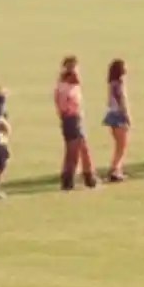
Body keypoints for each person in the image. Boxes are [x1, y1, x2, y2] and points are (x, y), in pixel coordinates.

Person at [55, 58, 96, 190]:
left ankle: (89, 178)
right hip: (72, 119)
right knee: (73, 151)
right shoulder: (66, 88)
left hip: (75, 118)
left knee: (84, 149)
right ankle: (68, 180)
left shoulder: (69, 86)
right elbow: (64, 107)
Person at [102, 59, 132, 182]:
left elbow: (109, 101)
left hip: (111, 114)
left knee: (119, 144)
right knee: (122, 145)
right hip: (119, 115)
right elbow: (122, 100)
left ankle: (116, 168)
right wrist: (127, 115)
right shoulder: (119, 84)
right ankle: (115, 169)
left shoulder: (111, 83)